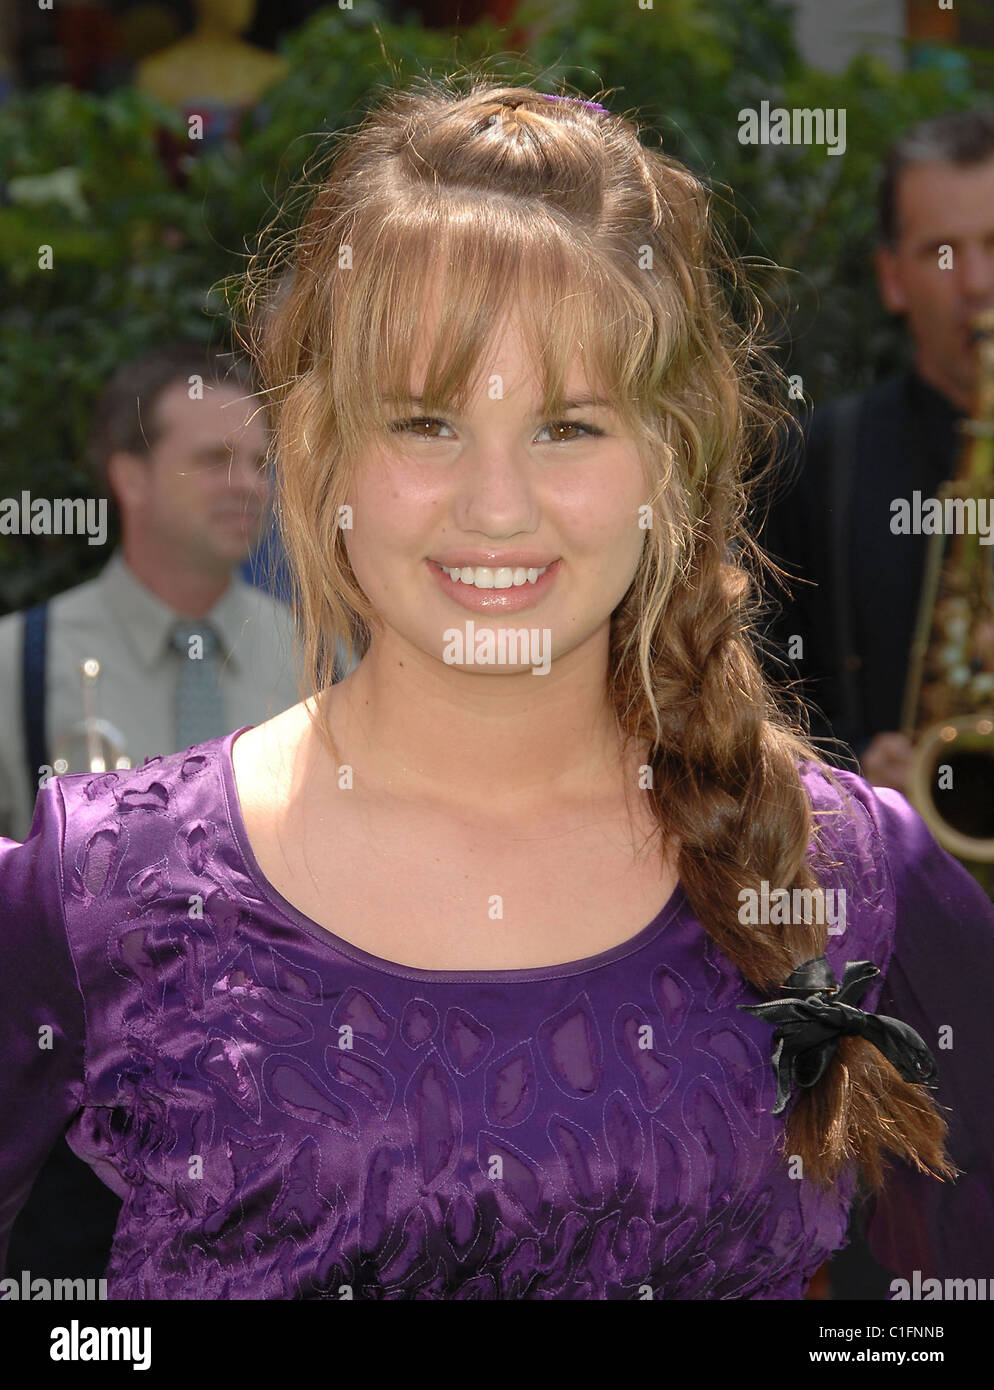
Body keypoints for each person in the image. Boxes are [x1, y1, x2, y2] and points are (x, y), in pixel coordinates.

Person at [1, 77, 992, 1301]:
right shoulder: (97, 895)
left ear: (669, 456)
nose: (497, 505)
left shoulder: (848, 872)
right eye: (424, 421)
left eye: (568, 426)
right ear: (315, 447)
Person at [0, 340, 303, 1285]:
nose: (245, 484)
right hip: (75, 1161)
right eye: (212, 459)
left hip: (288, 1146)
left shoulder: (322, 664)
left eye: (259, 462)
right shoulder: (19, 660)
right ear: (128, 476)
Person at [759, 108, 994, 797]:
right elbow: (749, 689)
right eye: (941, 253)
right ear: (891, 278)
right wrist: (844, 765)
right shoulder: (813, 460)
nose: (976, 282)